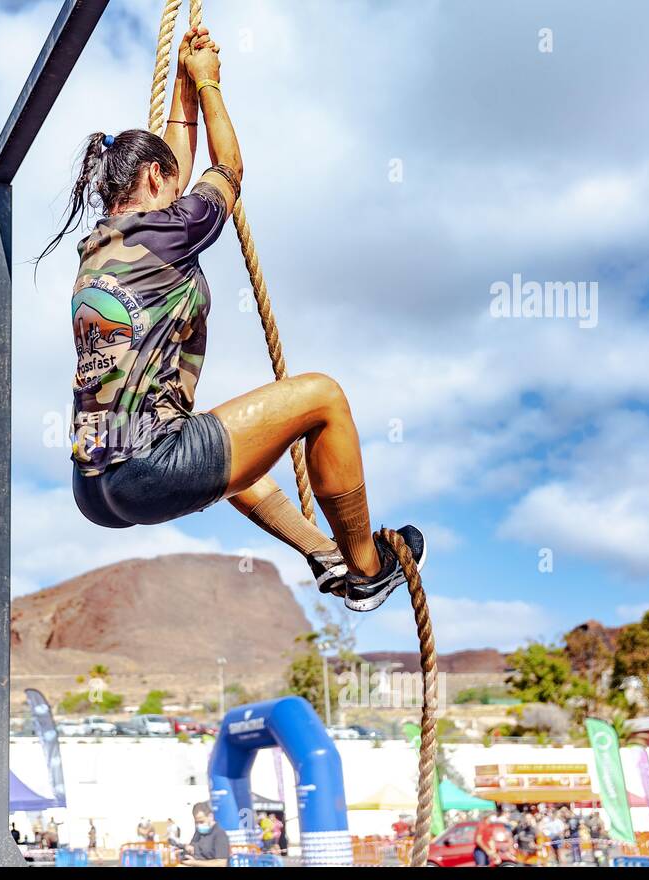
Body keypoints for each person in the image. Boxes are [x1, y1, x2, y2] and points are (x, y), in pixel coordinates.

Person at [44, 24, 425, 612]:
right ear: (153, 181)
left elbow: (175, 155)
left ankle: (323, 556)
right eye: (171, 179)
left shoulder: (101, 244)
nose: (180, 183)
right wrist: (210, 83)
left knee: (239, 448)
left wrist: (181, 86)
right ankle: (367, 570)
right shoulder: (169, 232)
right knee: (323, 397)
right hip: (149, 466)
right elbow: (230, 169)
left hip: (95, 487)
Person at [180, 801, 230, 866]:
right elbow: (193, 848)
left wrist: (194, 863)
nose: (198, 825)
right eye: (196, 822)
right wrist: (186, 850)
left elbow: (221, 864)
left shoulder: (220, 834)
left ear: (210, 816)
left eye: (201, 821)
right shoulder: (198, 833)